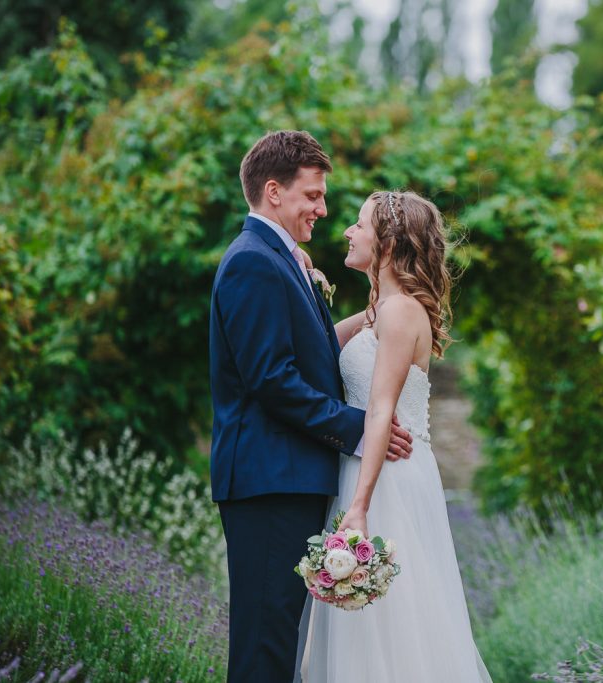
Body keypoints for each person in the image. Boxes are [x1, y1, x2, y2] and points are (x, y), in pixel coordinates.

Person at [209, 130, 413, 682]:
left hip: (287, 480)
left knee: (280, 645)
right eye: (313, 195)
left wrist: (383, 313)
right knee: (264, 650)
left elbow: (313, 352)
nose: (322, 209)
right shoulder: (253, 262)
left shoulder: (282, 259)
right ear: (273, 191)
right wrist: (361, 429)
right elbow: (272, 380)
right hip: (269, 483)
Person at [295, 191, 492, 682]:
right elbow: (319, 346)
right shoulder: (380, 310)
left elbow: (381, 407)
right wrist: (304, 277)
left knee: (394, 627)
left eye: (359, 225)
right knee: (366, 631)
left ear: (387, 242)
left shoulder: (400, 310)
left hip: (385, 480)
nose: (348, 232)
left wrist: (359, 506)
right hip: (367, 469)